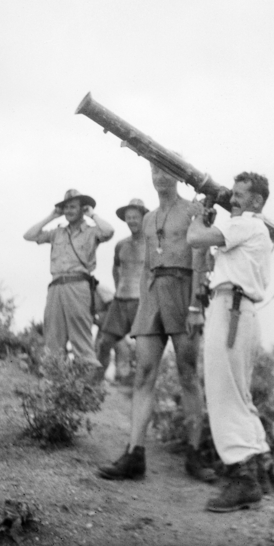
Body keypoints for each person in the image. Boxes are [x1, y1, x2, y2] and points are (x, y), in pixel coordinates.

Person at [97, 164, 215, 483]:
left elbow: (201, 255)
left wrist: (195, 305)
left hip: (183, 288)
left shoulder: (192, 210)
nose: (160, 177)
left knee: (188, 374)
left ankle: (194, 454)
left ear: (176, 176)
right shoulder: (148, 219)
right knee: (143, 374)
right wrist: (144, 304)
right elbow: (148, 264)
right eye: (155, 170)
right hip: (151, 295)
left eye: (166, 171)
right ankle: (135, 453)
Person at [186, 171, 272, 512]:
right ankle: (256, 470)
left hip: (232, 312)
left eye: (239, 195)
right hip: (240, 311)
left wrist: (197, 216)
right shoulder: (251, 229)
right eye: (232, 194)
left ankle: (243, 479)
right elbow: (212, 254)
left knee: (224, 395)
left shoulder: (245, 224)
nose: (231, 199)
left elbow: (195, 239)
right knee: (240, 394)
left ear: (256, 201)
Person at [23, 189, 114, 366]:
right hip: (56, 286)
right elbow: (29, 235)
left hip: (78, 285)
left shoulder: (91, 231)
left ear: (82, 209)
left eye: (73, 207)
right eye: (65, 208)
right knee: (53, 340)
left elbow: (109, 231)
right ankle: (57, 387)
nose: (68, 211)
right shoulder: (57, 233)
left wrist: (92, 215)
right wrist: (51, 216)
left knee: (81, 338)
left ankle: (86, 388)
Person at [95, 198, 148, 384]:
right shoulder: (121, 245)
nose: (132, 221)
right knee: (104, 343)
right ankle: (95, 386)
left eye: (135, 217)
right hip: (120, 301)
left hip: (141, 302)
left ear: (143, 218)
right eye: (129, 217)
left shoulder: (151, 243)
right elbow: (115, 268)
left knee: (144, 348)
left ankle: (138, 386)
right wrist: (119, 288)